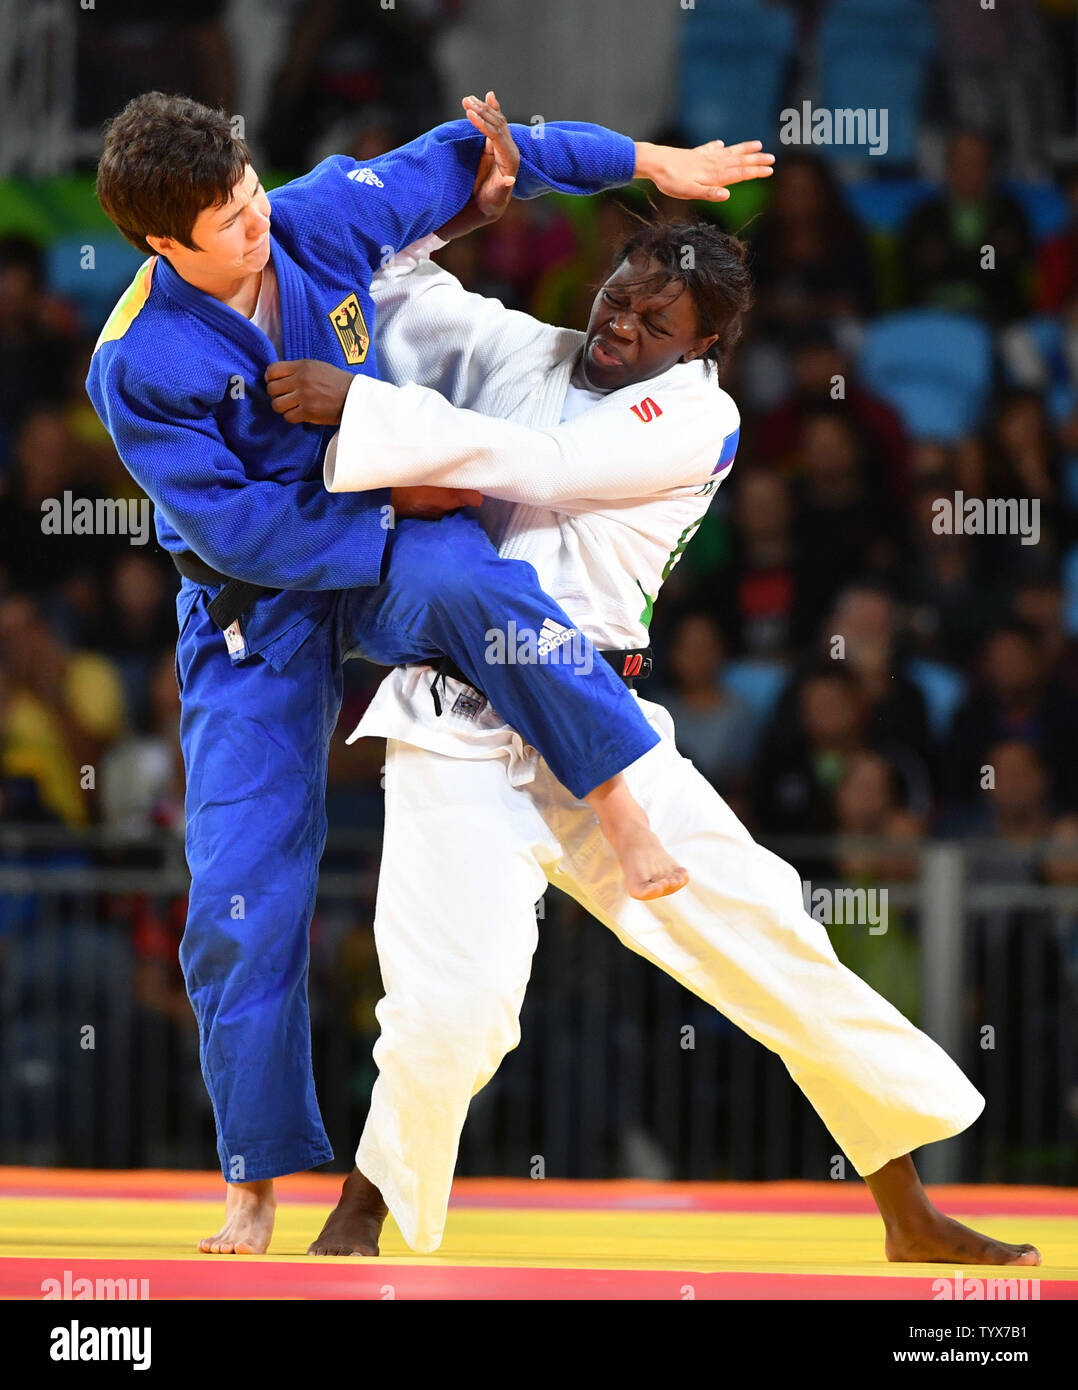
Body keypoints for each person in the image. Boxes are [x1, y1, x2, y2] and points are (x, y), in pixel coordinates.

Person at [85, 88, 774, 1254]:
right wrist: (394, 497)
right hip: (265, 597)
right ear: (163, 245)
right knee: (242, 895)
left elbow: (480, 154)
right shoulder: (138, 363)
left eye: (248, 192)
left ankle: (617, 790)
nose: (254, 223)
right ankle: (255, 1175)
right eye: (224, 221)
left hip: (396, 526)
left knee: (492, 591)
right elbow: (238, 532)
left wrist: (654, 157)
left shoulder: (307, 218)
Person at [275, 221, 1038, 1267]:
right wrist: (465, 194)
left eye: (653, 321)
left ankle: (906, 1212)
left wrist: (362, 407)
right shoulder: (527, 351)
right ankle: (359, 1215)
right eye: (617, 297)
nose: (618, 325)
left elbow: (544, 463)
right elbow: (399, 281)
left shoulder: (696, 419)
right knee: (451, 1003)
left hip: (602, 723)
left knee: (773, 940)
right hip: (456, 724)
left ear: (703, 346)